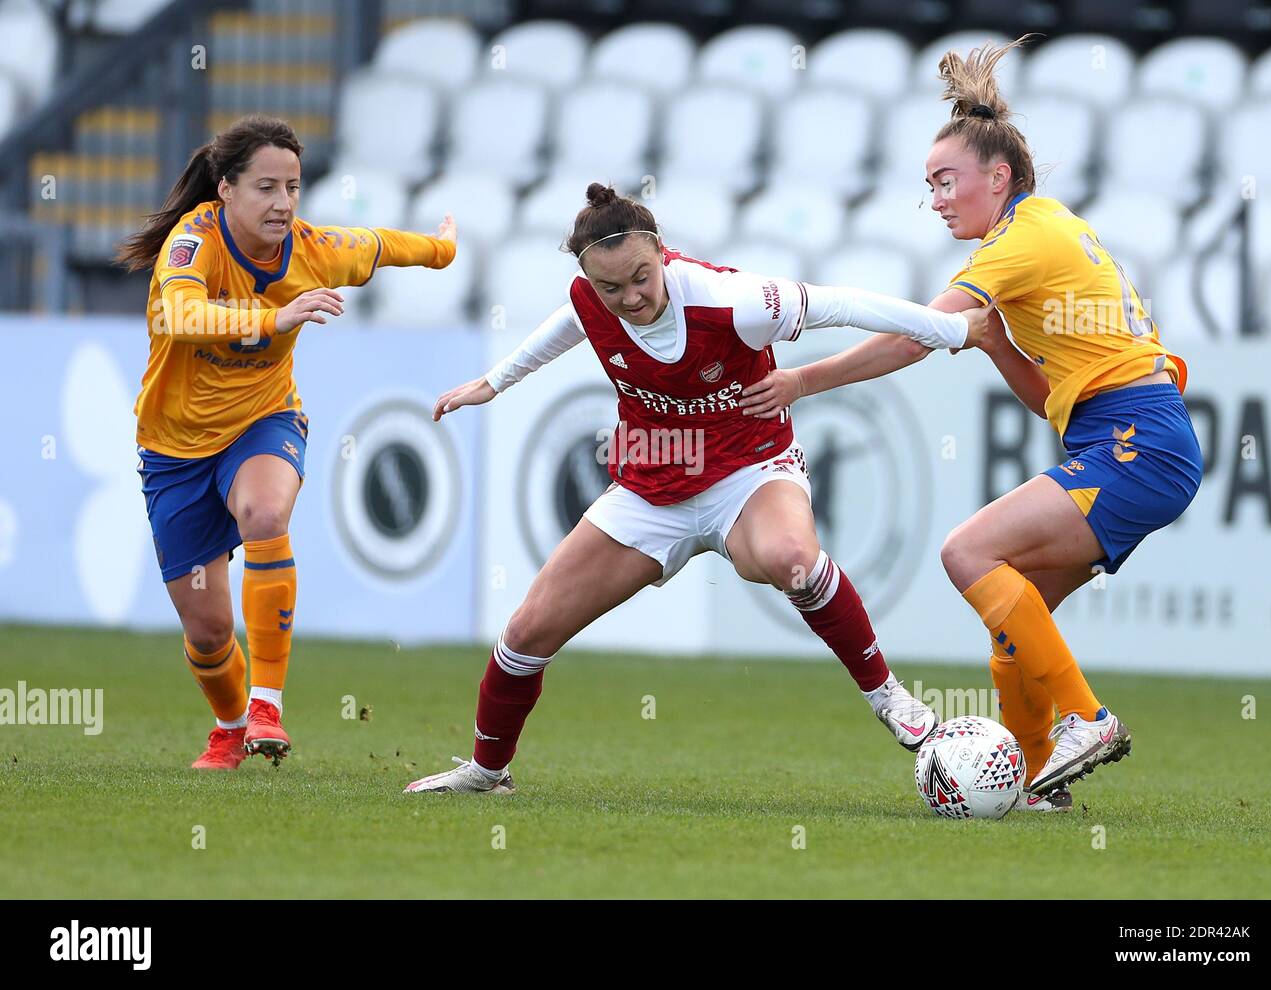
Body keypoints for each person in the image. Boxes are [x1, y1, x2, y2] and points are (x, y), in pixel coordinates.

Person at [405, 182, 991, 795]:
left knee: (792, 561)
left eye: (640, 277)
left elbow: (843, 304)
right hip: (650, 489)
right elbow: (567, 323)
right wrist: (494, 382)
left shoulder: (735, 302)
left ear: (661, 252)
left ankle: (886, 694)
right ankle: (486, 772)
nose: (630, 297)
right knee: (526, 633)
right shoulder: (590, 299)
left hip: (750, 470)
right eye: (612, 288)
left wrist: (948, 330)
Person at [738, 38, 1202, 812]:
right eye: (929, 187)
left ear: (999, 176)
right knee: (1015, 624)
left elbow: (914, 333)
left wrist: (803, 379)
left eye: (947, 182)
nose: (939, 199)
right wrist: (993, 342)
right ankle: (1036, 781)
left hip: (1139, 441)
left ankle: (1088, 720)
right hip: (1135, 437)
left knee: (967, 551)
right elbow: (1052, 400)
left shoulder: (1019, 240)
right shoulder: (1050, 228)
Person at [117, 115, 458, 769]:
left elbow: (381, 246)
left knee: (267, 513)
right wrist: (277, 315)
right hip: (175, 447)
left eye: (294, 187)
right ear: (225, 189)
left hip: (263, 421)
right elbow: (184, 316)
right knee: (209, 631)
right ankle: (230, 725)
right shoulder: (191, 245)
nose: (283, 203)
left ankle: (267, 705)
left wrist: (442, 249)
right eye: (267, 187)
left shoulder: (312, 247)